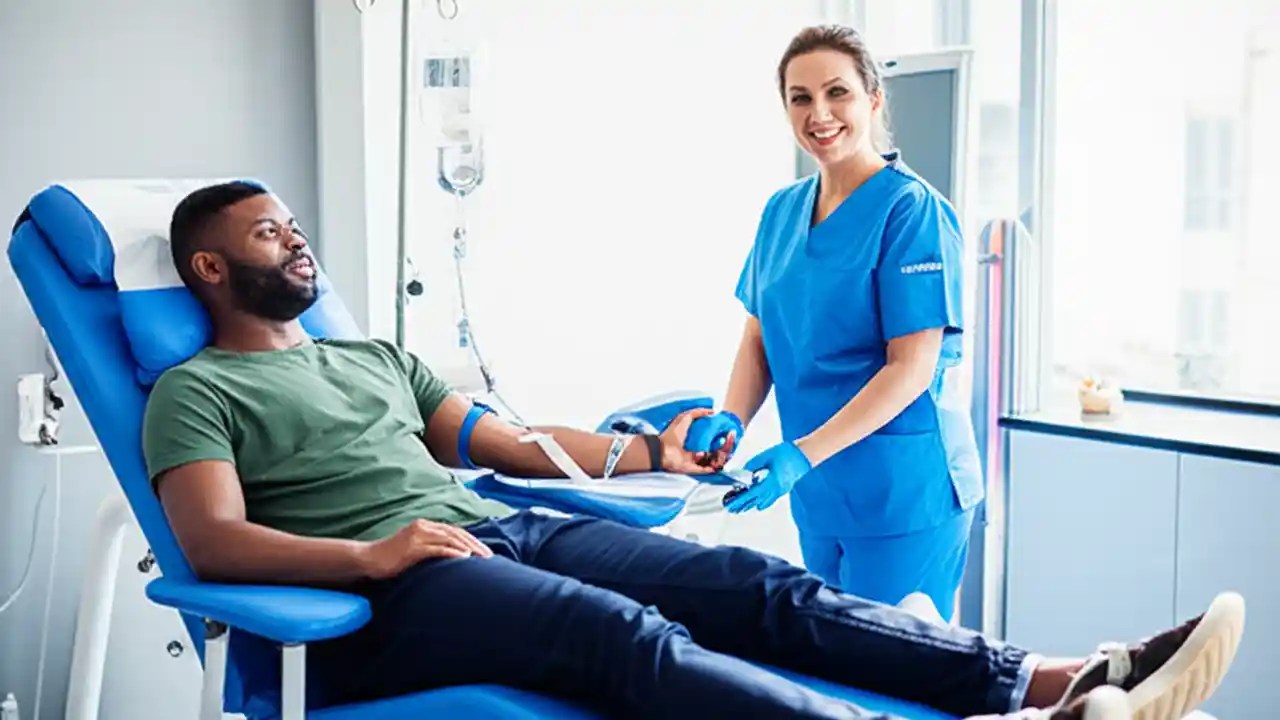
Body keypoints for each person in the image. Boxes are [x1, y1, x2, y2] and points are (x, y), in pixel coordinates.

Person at [140, 179, 1244, 720]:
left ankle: (1051, 678)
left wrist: (641, 451)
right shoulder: (192, 393)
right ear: (207, 269)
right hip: (384, 601)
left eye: (292, 224)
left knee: (755, 586)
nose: (295, 240)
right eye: (267, 233)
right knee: (619, 634)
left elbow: (511, 443)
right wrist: (371, 557)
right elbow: (214, 540)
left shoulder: (373, 355)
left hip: (498, 529)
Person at [686, 24, 983, 620]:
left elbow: (911, 368)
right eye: (801, 98)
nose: (819, 113)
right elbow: (759, 336)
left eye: (837, 92)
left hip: (906, 495)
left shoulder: (911, 211)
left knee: (905, 676)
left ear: (873, 100)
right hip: (821, 491)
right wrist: (733, 420)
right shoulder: (781, 211)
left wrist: (801, 453)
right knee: (841, 671)